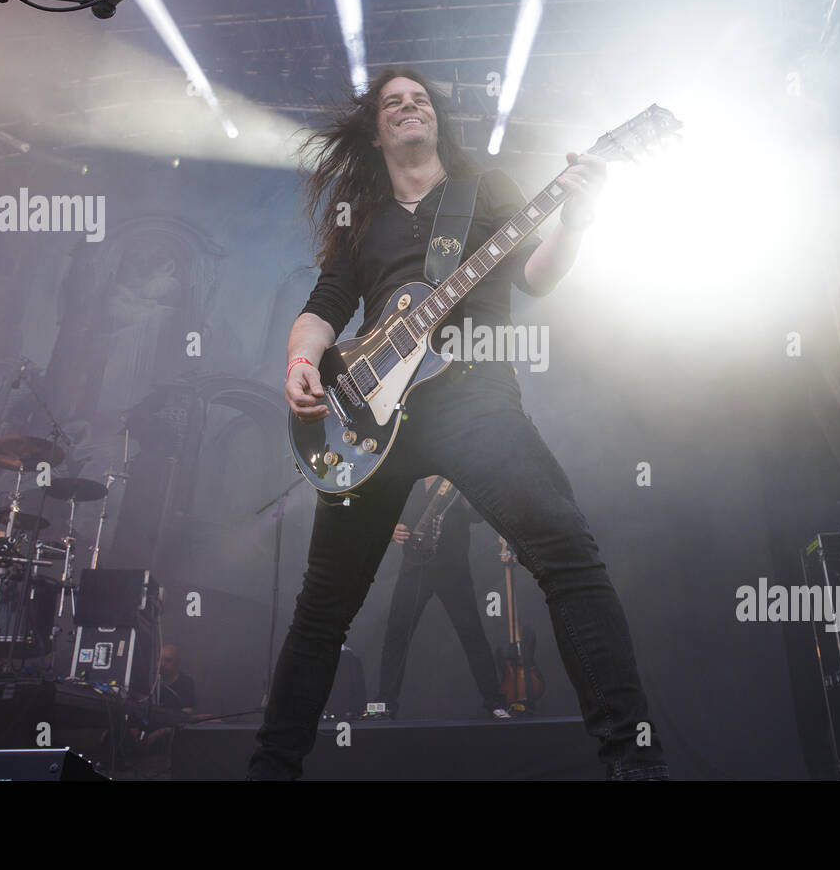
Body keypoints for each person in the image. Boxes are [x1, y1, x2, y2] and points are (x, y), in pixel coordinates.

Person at [248, 67, 667, 780]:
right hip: (366, 422)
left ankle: (634, 762)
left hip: (475, 399)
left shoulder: (488, 192)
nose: (409, 107)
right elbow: (323, 308)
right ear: (377, 129)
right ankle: (269, 771)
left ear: (435, 120)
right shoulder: (364, 217)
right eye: (393, 102)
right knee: (322, 610)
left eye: (420, 100)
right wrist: (298, 363)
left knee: (567, 555)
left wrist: (579, 215)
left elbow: (536, 277)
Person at [372, 476, 509, 720]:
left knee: (472, 635)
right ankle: (384, 704)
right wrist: (393, 529)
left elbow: (476, 514)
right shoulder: (410, 478)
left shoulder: (456, 474)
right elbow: (388, 509)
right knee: (396, 636)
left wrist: (466, 493)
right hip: (414, 567)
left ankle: (495, 702)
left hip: (452, 569)